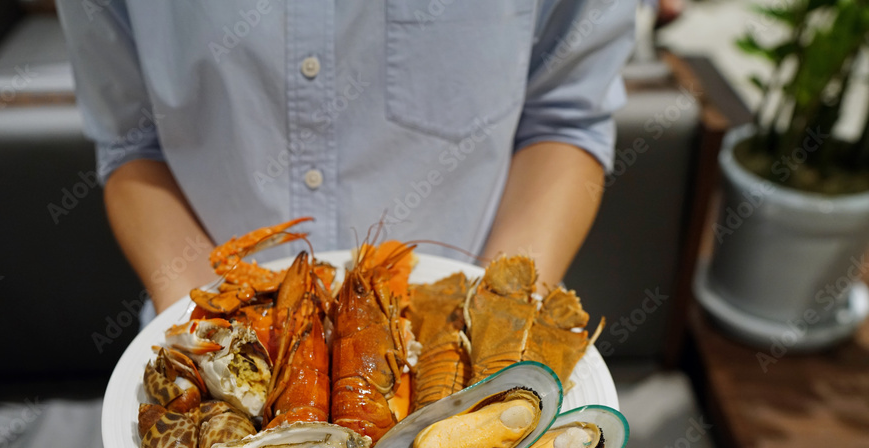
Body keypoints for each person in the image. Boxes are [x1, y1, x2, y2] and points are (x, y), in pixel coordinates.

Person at [58, 0, 636, 316]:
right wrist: (203, 328)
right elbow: (132, 141)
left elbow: (566, 118)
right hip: (219, 335)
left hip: (458, 338)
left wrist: (497, 328)